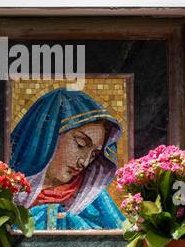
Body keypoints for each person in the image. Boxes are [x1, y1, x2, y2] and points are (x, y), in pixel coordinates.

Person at [8, 87, 126, 230]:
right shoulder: (9, 191)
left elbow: (117, 236)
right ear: (49, 137)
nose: (84, 162)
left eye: (94, 155)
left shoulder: (93, 199)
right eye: (81, 144)